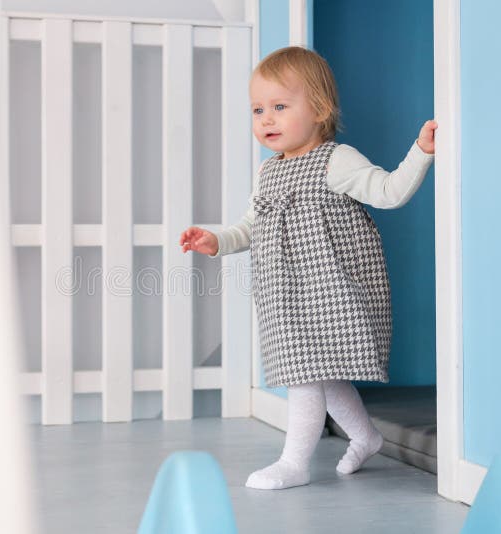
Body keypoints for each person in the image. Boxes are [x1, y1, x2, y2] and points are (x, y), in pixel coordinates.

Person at [179, 46, 437, 490]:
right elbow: (251, 227)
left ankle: (294, 463)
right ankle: (366, 436)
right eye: (259, 109)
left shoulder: (337, 160)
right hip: (285, 293)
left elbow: (390, 191)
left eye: (280, 107)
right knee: (322, 375)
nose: (267, 120)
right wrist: (217, 240)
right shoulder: (268, 173)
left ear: (318, 110)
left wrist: (420, 151)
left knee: (305, 374)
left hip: (331, 289)